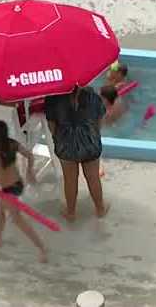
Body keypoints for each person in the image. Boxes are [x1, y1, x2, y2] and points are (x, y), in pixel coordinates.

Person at [43, 86, 109, 221]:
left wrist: (58, 139)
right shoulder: (92, 96)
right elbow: (100, 120)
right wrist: (93, 135)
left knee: (70, 179)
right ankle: (100, 209)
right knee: (93, 177)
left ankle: (71, 213)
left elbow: (51, 125)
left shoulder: (52, 98)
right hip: (89, 143)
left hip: (66, 144)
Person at [0, 119, 48, 260]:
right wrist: (29, 171)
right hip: (18, 184)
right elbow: (29, 155)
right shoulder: (13, 144)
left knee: (18, 221)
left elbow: (0, 179)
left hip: (8, 190)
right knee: (0, 210)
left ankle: (41, 248)